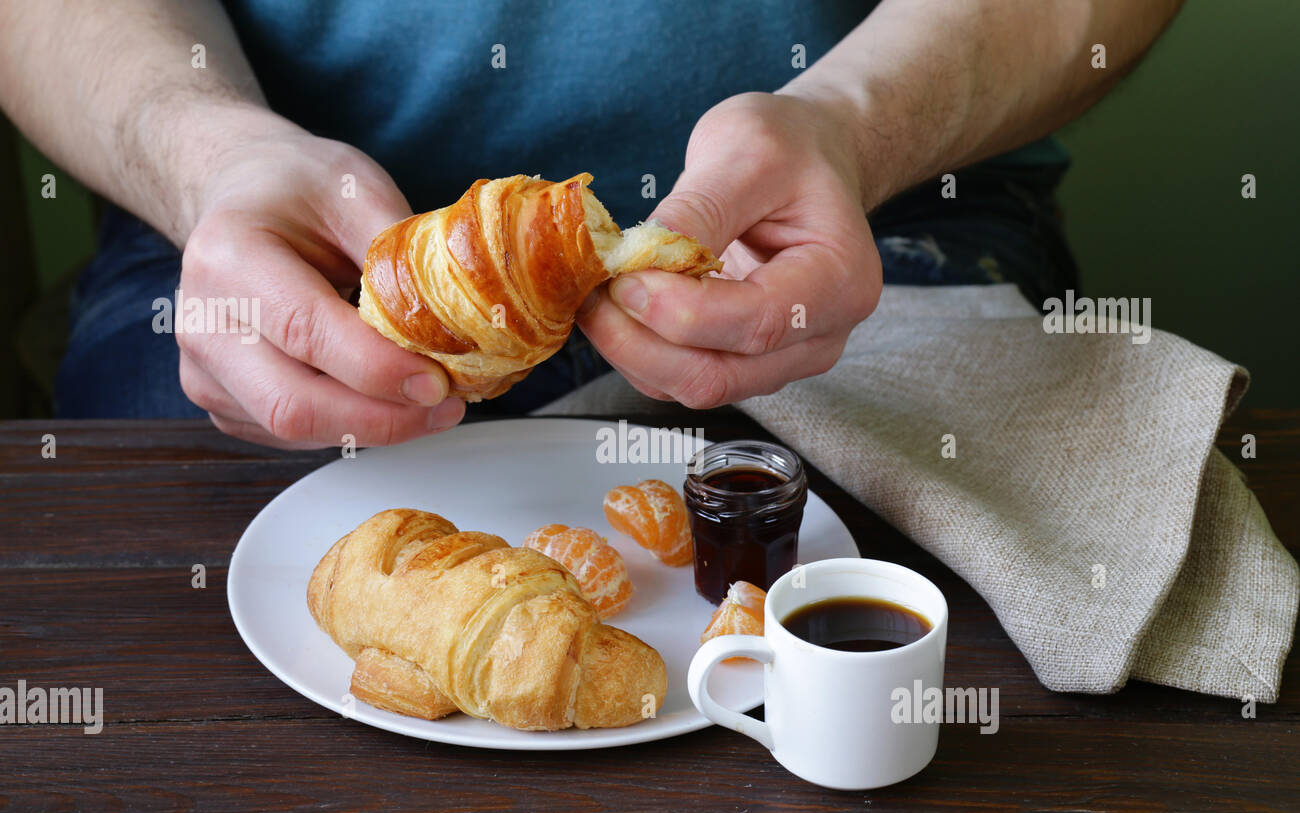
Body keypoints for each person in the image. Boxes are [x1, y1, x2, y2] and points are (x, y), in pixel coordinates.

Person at [0, 0, 1182, 448]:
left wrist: (856, 125)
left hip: (864, 206)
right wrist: (205, 150)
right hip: (253, 222)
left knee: (900, 622)